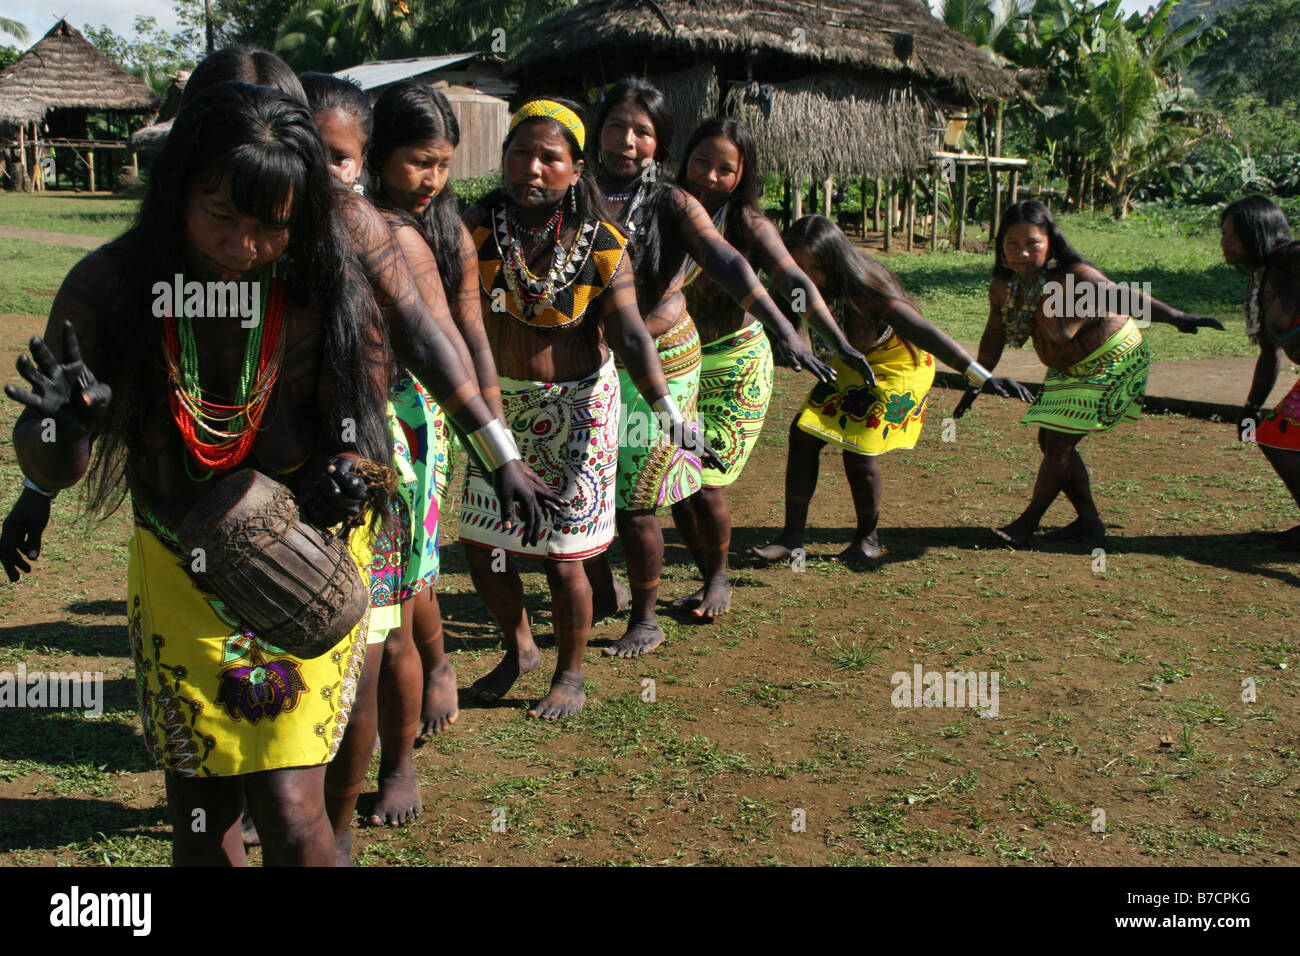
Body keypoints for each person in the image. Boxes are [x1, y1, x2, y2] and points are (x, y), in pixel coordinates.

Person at [3, 82, 394, 866]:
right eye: (222, 216)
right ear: (178, 189)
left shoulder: (325, 287)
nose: (243, 246)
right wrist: (65, 425)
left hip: (306, 558)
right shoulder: (111, 286)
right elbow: (56, 459)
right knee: (200, 798)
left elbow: (363, 431)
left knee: (288, 806)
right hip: (179, 564)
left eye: (271, 226)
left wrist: (345, 477)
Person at [458, 96, 722, 717]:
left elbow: (630, 334)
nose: (530, 168)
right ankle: (519, 647)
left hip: (580, 413)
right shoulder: (474, 228)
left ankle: (569, 674)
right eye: (519, 153)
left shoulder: (602, 243)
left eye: (549, 158)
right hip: (503, 409)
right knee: (483, 543)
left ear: (576, 169)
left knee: (564, 553)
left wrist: (668, 413)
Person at [585, 80, 847, 656]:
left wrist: (793, 330)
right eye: (616, 126)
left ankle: (686, 594)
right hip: (611, 359)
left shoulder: (695, 210)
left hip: (698, 359)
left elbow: (745, 268)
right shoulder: (582, 191)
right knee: (608, 482)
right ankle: (607, 592)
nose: (708, 175)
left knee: (671, 487)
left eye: (643, 132)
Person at [749, 215, 1033, 566]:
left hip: (899, 366)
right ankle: (791, 537)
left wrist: (980, 375)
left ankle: (867, 539)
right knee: (803, 433)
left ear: (836, 262)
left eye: (816, 267)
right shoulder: (792, 287)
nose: (807, 276)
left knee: (858, 447)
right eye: (798, 267)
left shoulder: (865, 288)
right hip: (853, 364)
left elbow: (925, 331)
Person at [955, 200, 1223, 547]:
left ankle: (1028, 523)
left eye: (1032, 243)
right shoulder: (1005, 286)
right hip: (1069, 368)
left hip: (1112, 359)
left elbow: (1122, 295)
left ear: (1050, 241)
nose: (1021, 253)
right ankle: (1089, 521)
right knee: (1049, 440)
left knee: (1061, 441)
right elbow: (994, 333)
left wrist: (1177, 317)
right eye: (1012, 244)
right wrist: (977, 379)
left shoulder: (1074, 276)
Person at [671, 117, 855, 618]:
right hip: (678, 361)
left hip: (735, 365)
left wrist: (827, 337)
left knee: (704, 477)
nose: (709, 176)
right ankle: (706, 572)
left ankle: (719, 578)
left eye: (724, 169)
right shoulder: (665, 209)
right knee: (674, 484)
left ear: (743, 174)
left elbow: (792, 277)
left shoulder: (749, 225)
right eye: (701, 162)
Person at [1219, 194, 1300, 548]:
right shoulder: (1262, 275)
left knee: (1277, 439)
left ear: (1257, 234)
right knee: (1273, 436)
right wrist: (1251, 408)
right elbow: (1271, 354)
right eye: (1223, 235)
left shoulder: (1290, 261)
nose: (1224, 243)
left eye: (1232, 235)